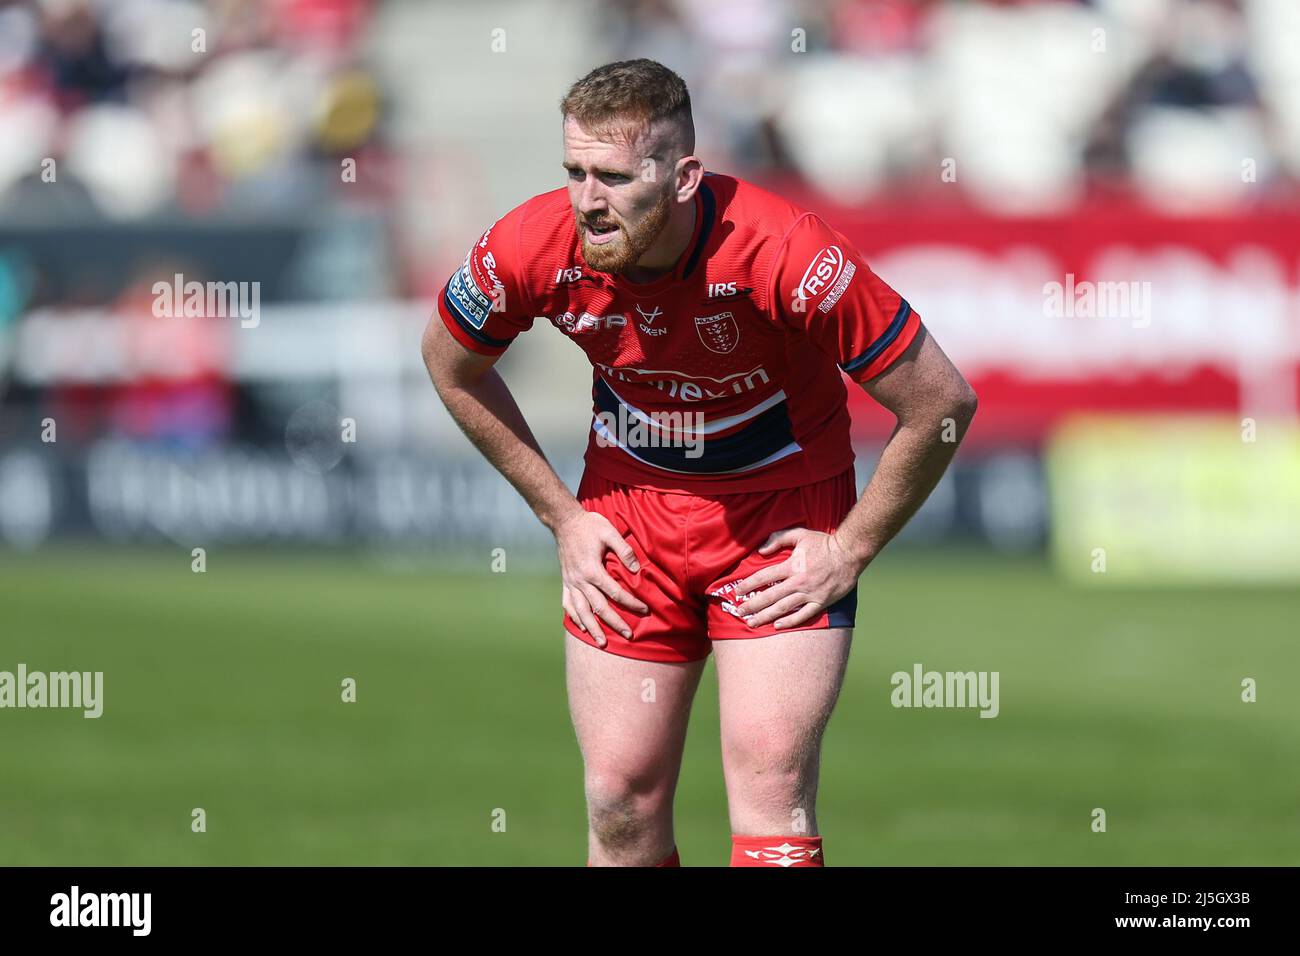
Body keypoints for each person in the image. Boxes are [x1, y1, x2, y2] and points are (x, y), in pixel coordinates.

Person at [422, 59, 977, 867]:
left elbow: (941, 403)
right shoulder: (531, 244)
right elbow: (450, 363)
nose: (586, 201)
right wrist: (562, 519)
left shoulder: (783, 251)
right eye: (573, 171)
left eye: (611, 176)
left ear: (684, 177)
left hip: (781, 522)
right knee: (619, 802)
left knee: (770, 788)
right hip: (627, 519)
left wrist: (849, 549)